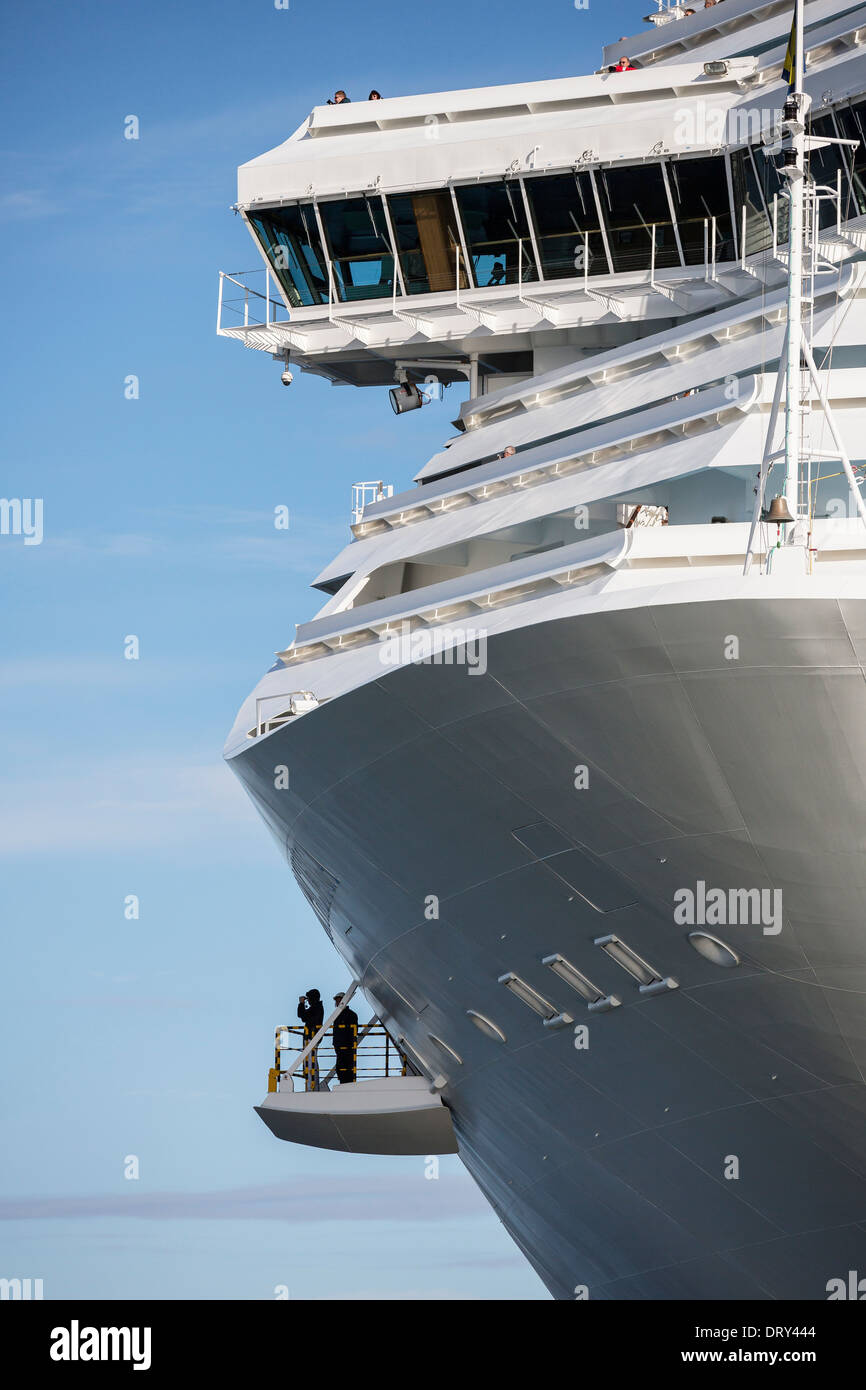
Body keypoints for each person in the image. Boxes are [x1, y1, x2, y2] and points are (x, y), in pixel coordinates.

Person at [297, 988, 324, 1090]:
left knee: (309, 1062)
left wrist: (301, 1004)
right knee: (312, 1061)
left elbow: (302, 1016)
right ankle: (313, 1084)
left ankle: (311, 1086)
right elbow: (304, 1016)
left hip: (311, 1037)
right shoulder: (318, 1007)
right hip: (313, 1037)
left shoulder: (316, 1007)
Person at [332, 992, 359, 1084]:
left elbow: (353, 1032)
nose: (336, 1002)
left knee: (347, 1068)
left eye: (338, 999)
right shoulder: (337, 1015)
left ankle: (347, 1084)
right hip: (339, 1046)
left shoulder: (351, 1015)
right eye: (336, 1000)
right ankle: (344, 1083)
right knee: (340, 1068)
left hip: (347, 1047)